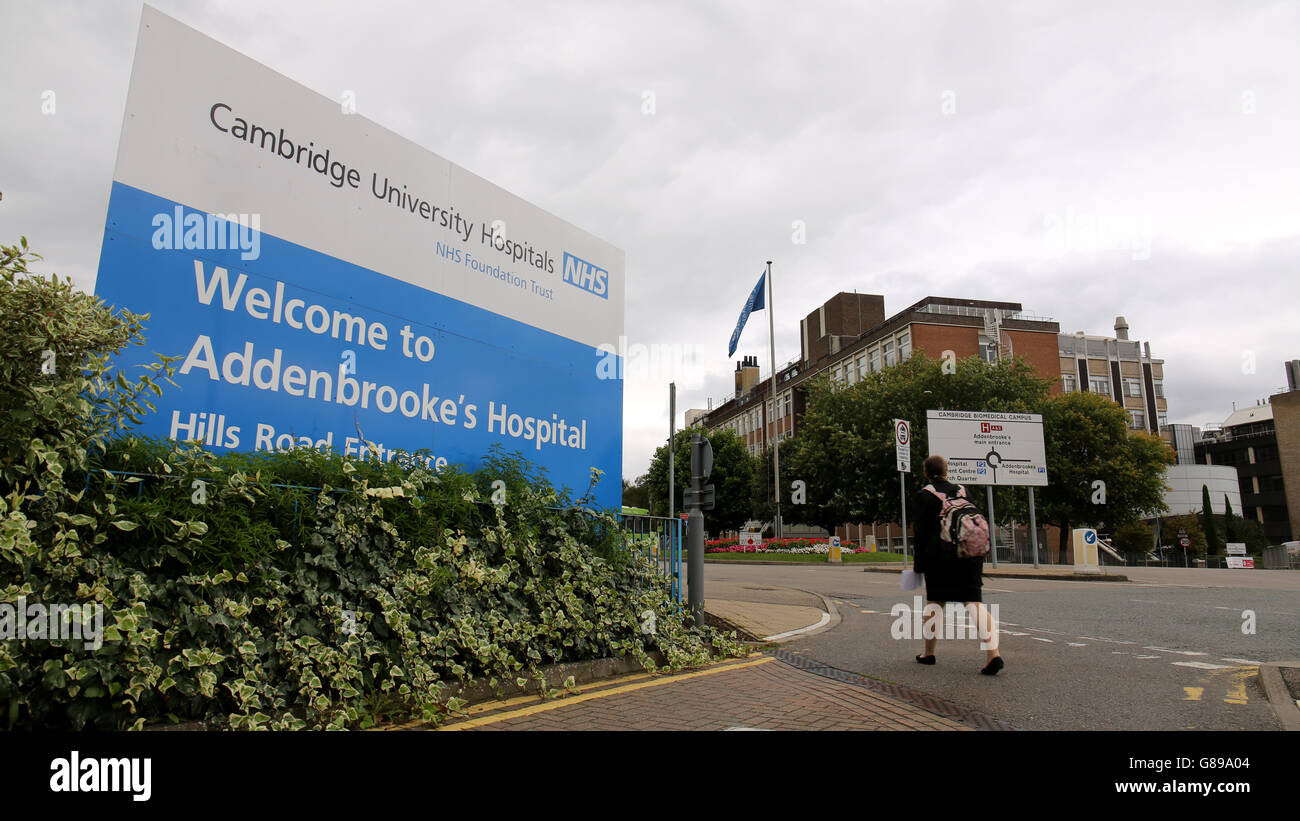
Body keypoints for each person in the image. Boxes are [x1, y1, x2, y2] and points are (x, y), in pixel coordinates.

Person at [912, 454, 1003, 675]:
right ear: (946, 471)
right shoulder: (963, 491)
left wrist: (918, 566)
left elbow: (920, 534)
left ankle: (928, 653)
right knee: (974, 603)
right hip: (969, 555)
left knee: (935, 603)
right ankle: (993, 653)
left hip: (939, 558)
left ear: (926, 472)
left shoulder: (924, 495)